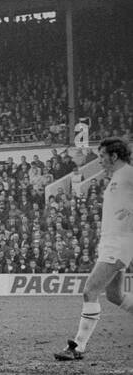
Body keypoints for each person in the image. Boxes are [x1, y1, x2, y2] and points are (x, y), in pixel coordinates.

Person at [57, 138, 133, 360]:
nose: (99, 160)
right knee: (115, 295)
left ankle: (78, 346)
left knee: (90, 290)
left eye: (101, 156)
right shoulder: (118, 178)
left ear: (114, 156)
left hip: (120, 243)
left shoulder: (128, 174)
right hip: (111, 242)